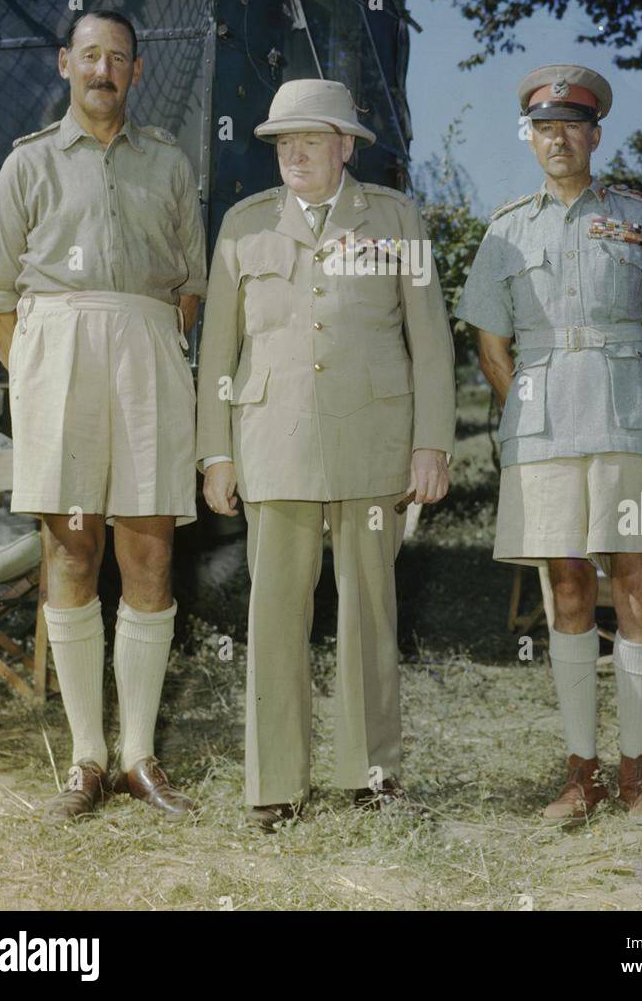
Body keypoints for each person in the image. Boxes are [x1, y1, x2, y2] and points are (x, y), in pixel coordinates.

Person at [196, 78, 455, 830]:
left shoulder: (396, 220)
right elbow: (218, 350)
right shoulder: (244, 225)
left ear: (345, 146)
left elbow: (431, 341)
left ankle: (371, 775)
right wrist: (215, 452)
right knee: (275, 610)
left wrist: (431, 443)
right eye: (285, 141)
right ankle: (275, 784)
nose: (296, 153)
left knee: (370, 609)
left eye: (311, 139)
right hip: (272, 442)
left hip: (373, 440)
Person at [0, 10, 206, 823]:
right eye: (91, 55)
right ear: (65, 63)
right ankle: (86, 761)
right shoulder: (27, 164)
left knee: (149, 551)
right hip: (57, 359)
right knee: (71, 550)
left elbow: (190, 286)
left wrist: (147, 351)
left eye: (120, 58)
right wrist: (40, 377)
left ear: (137, 72)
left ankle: (138, 756)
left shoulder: (168, 162)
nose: (105, 69)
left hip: (147, 357)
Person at [456, 65, 642, 825]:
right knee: (565, 588)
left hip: (630, 420)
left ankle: (638, 773)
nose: (557, 138)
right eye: (543, 127)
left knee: (637, 585)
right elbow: (491, 347)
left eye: (571, 125)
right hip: (544, 429)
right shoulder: (505, 229)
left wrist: (631, 397)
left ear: (595, 135)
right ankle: (581, 773)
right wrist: (534, 407)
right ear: (529, 138)